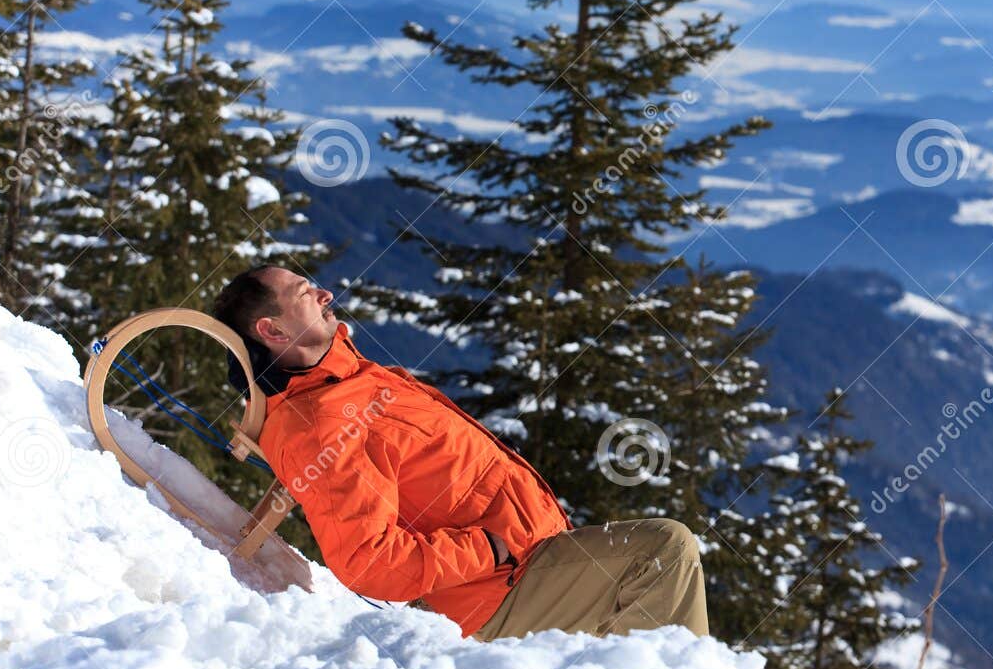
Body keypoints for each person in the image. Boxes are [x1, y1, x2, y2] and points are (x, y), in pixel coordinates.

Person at [211, 265, 708, 642]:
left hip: (525, 562)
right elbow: (367, 561)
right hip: (495, 593)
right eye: (305, 294)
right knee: (663, 550)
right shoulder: (321, 423)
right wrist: (489, 549)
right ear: (273, 332)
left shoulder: (349, 378)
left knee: (647, 569)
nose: (326, 294)